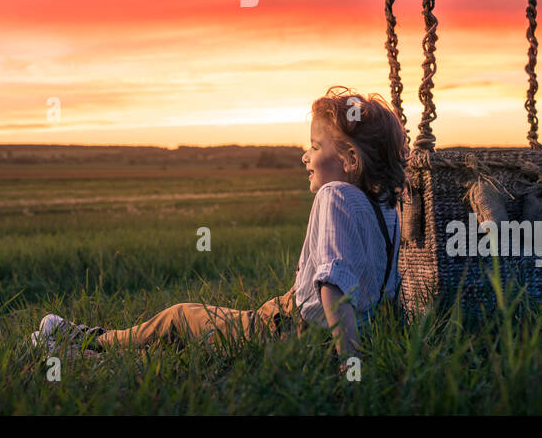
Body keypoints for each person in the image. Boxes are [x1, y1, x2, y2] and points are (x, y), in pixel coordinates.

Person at [29, 86, 404, 365]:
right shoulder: (387, 210)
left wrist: (350, 362)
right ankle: (85, 351)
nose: (305, 155)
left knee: (179, 317)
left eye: (316, 146)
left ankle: (88, 343)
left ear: (350, 159)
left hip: (286, 329)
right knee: (191, 341)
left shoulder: (335, 195)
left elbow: (333, 286)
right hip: (323, 335)